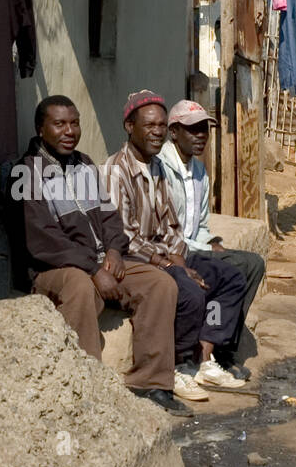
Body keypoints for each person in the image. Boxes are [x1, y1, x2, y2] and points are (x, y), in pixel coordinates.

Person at [14, 94, 194, 417]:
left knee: (160, 283)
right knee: (79, 286)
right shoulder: (26, 173)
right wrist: (94, 267)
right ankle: (85, 389)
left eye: (75, 123)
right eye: (59, 124)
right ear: (41, 129)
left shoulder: (84, 164)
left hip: (101, 262)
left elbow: (111, 217)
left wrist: (114, 250)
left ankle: (151, 384)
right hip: (54, 269)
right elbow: (42, 239)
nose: (69, 131)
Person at [105, 91, 248, 392]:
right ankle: (178, 364)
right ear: (130, 127)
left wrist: (180, 260)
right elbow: (123, 236)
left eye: (160, 125)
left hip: (167, 257)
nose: (157, 132)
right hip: (139, 261)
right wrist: (172, 265)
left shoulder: (157, 167)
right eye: (150, 126)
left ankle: (204, 359)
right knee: (188, 293)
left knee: (230, 277)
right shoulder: (117, 170)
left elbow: (172, 225)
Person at [158, 99, 266, 381]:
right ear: (174, 132)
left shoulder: (199, 172)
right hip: (175, 253)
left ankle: (222, 344)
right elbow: (170, 233)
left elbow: (200, 225)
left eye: (205, 129)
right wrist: (206, 247)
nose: (201, 136)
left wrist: (212, 242)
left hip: (196, 246)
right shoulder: (161, 169)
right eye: (193, 130)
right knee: (230, 272)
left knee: (253, 264)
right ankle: (210, 353)